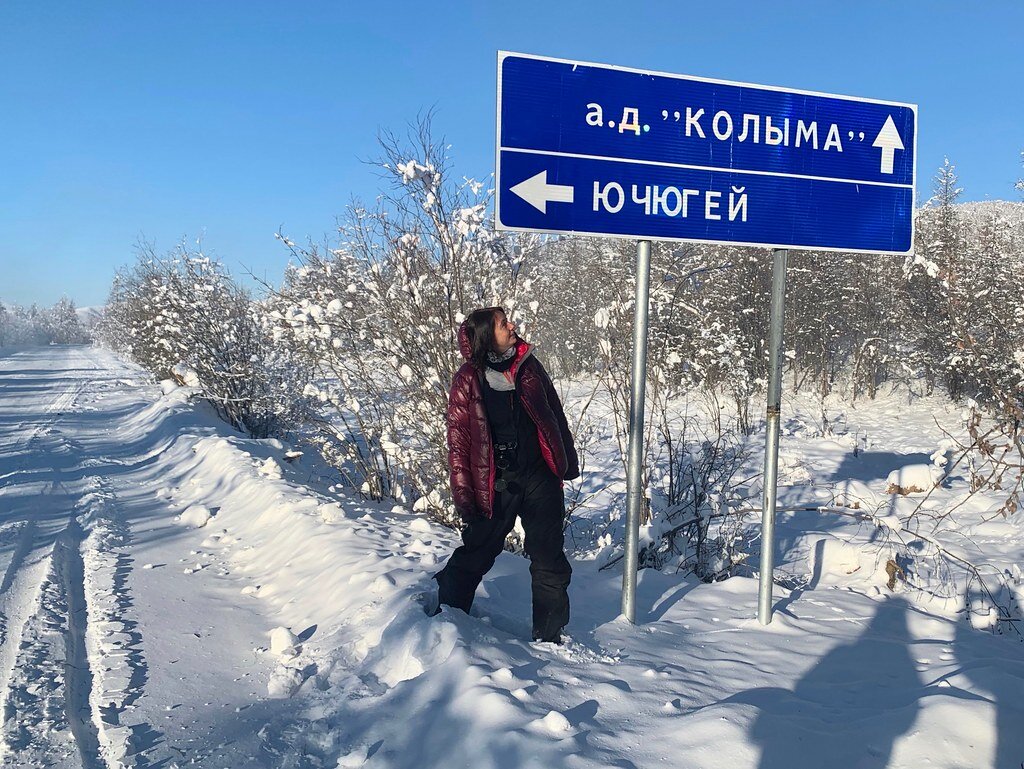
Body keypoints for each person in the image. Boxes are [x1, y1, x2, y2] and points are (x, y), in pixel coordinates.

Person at [433, 306, 580, 643]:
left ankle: (550, 635)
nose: (511, 326)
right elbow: (458, 443)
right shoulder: (467, 380)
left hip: (539, 476)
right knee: (478, 552)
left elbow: (554, 415)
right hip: (495, 483)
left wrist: (564, 462)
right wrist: (464, 496)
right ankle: (445, 621)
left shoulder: (528, 368)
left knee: (549, 556)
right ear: (487, 336)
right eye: (502, 324)